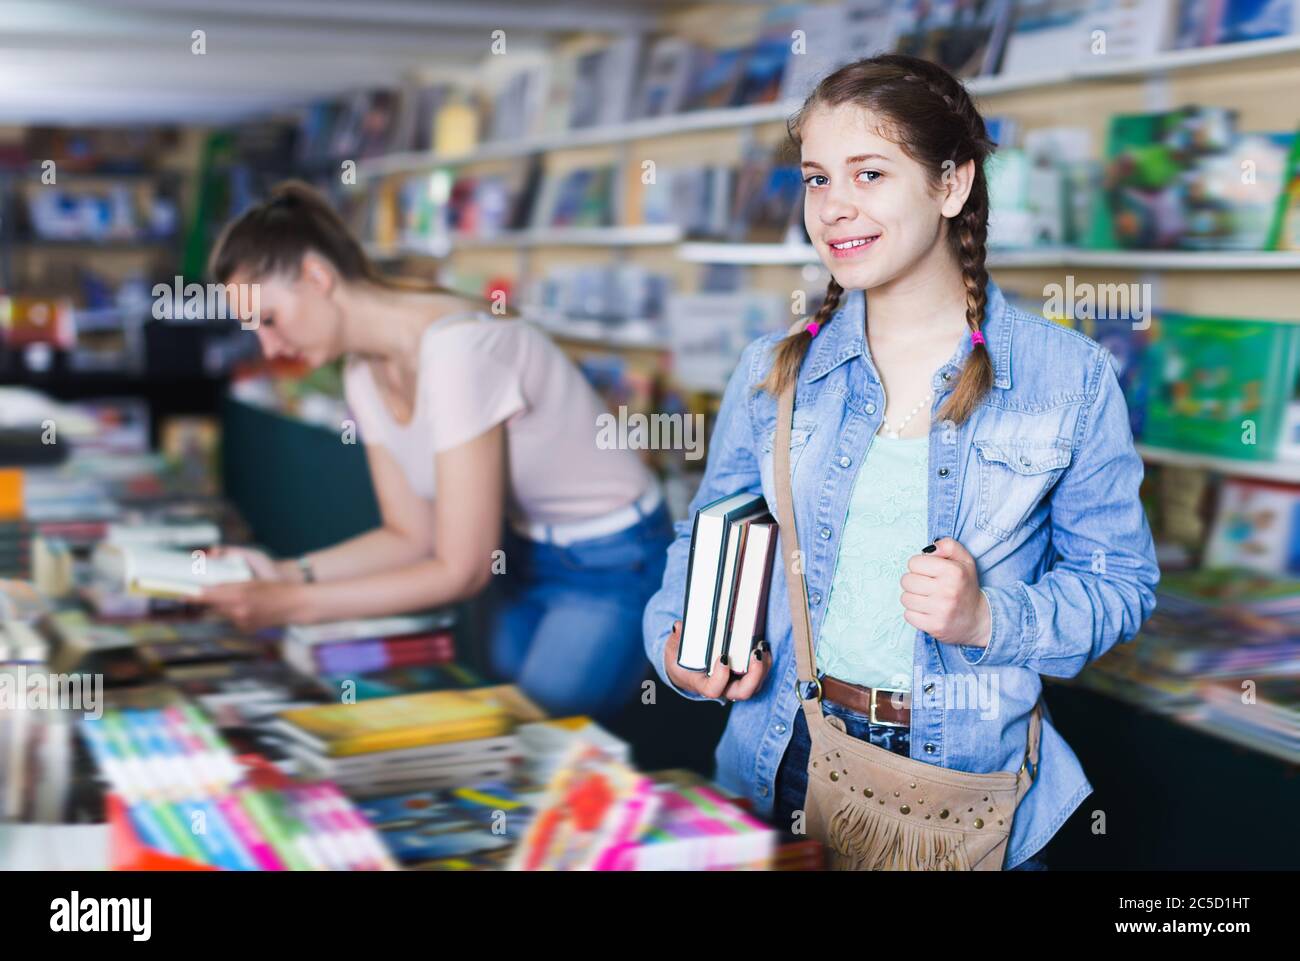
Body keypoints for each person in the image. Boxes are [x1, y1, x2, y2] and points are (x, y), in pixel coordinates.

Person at [642, 55, 1160, 870]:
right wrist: (675, 644)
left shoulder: (1070, 378)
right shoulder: (773, 370)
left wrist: (987, 618)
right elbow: (703, 531)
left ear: (951, 186)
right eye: (816, 179)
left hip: (962, 788)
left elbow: (1120, 584)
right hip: (778, 759)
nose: (834, 207)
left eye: (870, 173)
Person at [199, 181, 673, 721]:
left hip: (613, 557)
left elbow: (460, 570)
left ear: (316, 276)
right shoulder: (362, 375)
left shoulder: (458, 350)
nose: (268, 347)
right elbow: (410, 535)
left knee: (537, 743)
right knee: (510, 742)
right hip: (518, 553)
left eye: (269, 318)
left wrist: (291, 605)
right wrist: (283, 573)